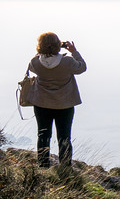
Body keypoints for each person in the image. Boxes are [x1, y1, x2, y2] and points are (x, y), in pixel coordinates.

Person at [27, 32, 87, 168]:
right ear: (58, 45)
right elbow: (82, 67)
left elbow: (33, 66)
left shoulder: (35, 62)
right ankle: (65, 167)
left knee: (43, 135)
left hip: (41, 104)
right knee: (64, 137)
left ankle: (43, 166)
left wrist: (42, 51)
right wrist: (74, 51)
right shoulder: (68, 62)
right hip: (64, 105)